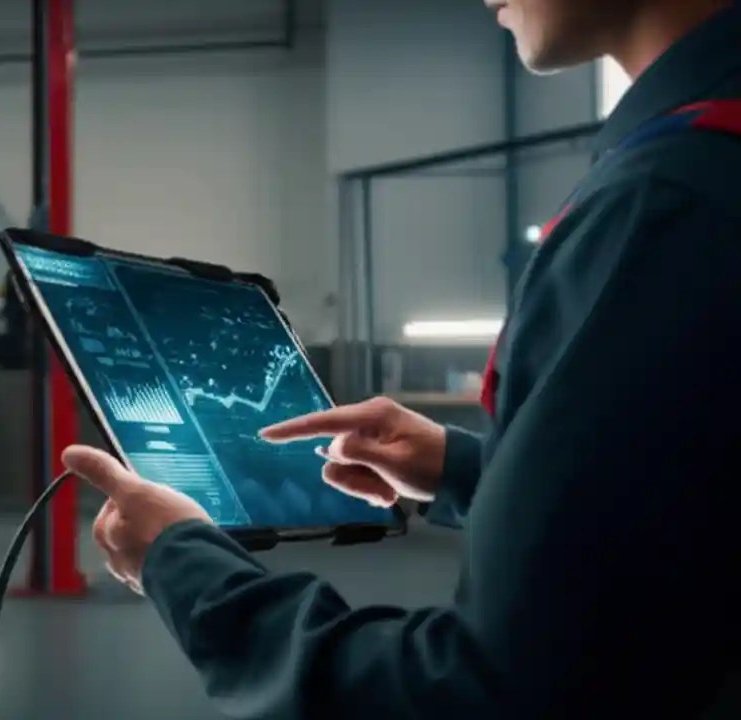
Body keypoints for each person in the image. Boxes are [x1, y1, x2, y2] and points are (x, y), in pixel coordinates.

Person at [63, 0, 741, 717]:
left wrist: (181, 564)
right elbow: (684, 521)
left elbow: (486, 695)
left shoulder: (664, 202)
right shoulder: (701, 162)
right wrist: (465, 469)